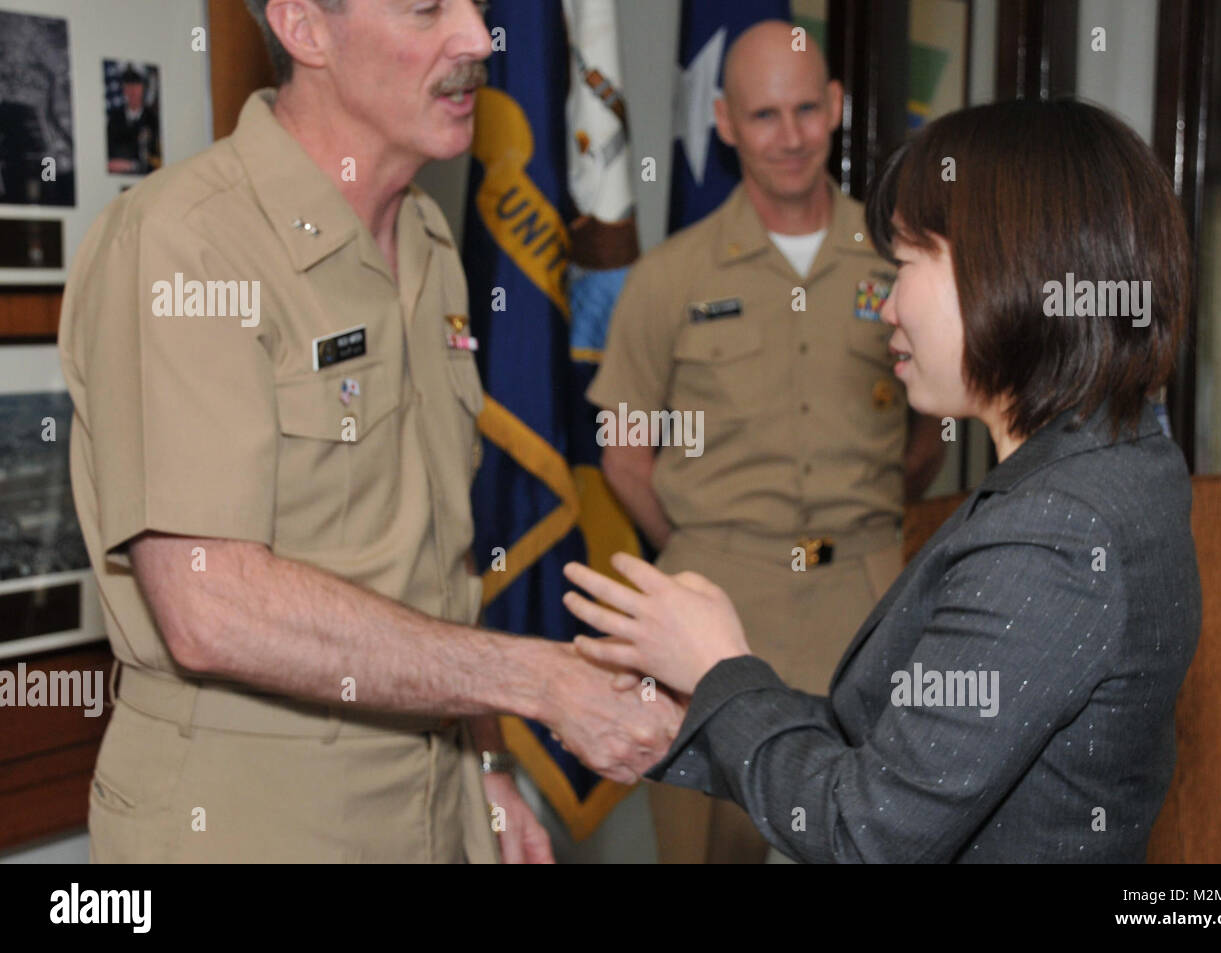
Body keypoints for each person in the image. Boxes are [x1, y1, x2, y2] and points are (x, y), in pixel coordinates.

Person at [58, 0, 679, 865]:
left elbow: (438, 565)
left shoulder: (428, 240)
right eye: (428, 9)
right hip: (247, 823)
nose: (475, 38)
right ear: (305, 28)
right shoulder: (186, 244)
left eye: (476, 6)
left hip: (434, 805)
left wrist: (489, 761)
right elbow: (210, 603)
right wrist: (537, 677)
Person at [564, 98, 1202, 863]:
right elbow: (898, 747)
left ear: (1008, 269)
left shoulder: (1055, 531)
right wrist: (696, 715)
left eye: (906, 264)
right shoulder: (1109, 461)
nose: (888, 307)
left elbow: (866, 831)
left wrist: (718, 668)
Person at [587, 21, 945, 863]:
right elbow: (624, 452)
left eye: (806, 111)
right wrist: (700, 550)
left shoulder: (901, 262)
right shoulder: (670, 276)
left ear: (836, 107)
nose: (789, 138)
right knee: (709, 849)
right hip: (715, 607)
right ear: (722, 121)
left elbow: (932, 430)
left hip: (867, 600)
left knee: (879, 838)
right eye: (763, 116)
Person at [106, 64, 161, 175]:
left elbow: (158, 159)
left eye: (136, 85)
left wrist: (133, 166)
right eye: (128, 85)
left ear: (144, 88)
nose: (132, 90)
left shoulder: (153, 120)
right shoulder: (115, 119)